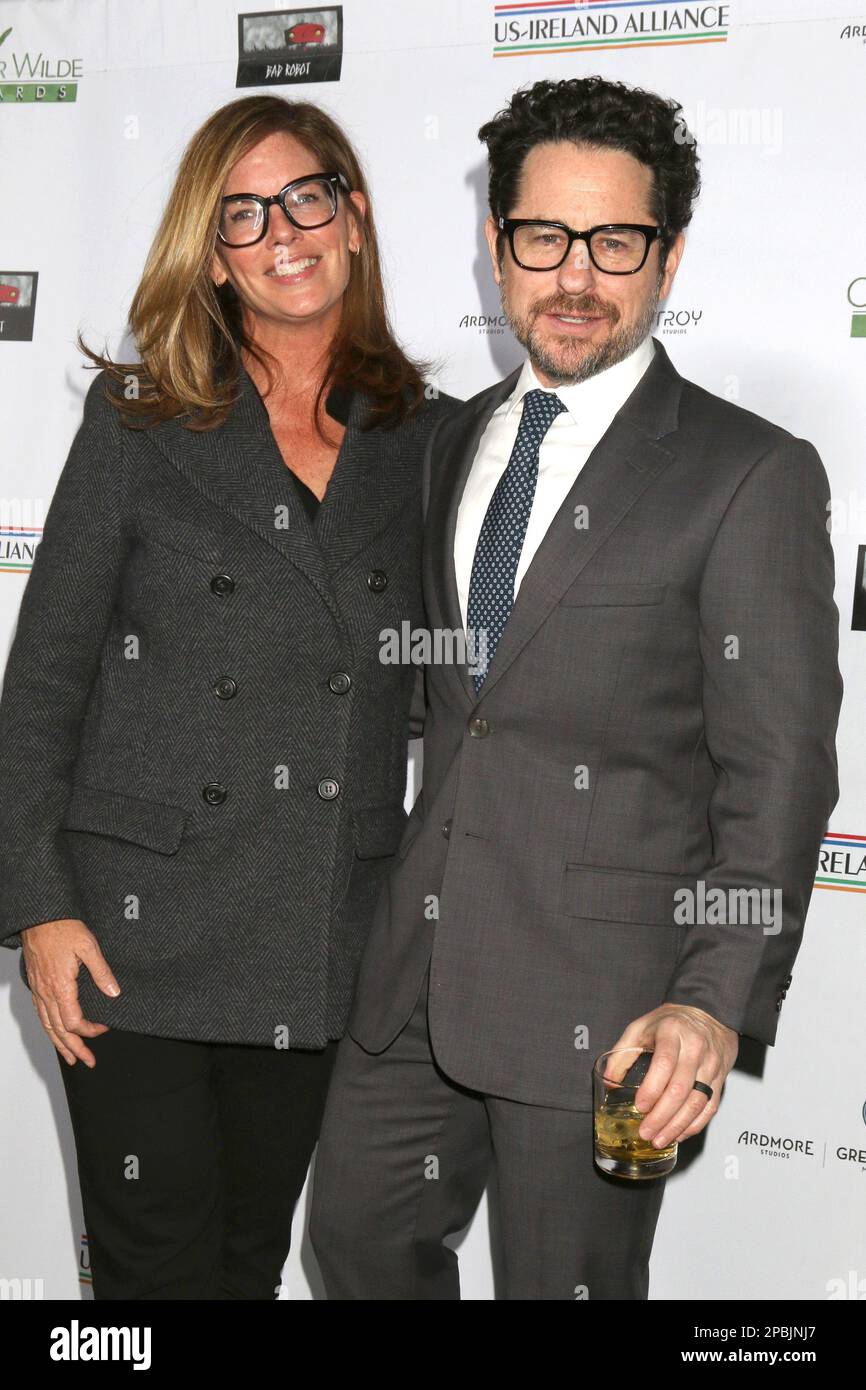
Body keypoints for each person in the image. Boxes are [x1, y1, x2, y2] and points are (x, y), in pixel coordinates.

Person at [309, 75, 843, 1299]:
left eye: (615, 241)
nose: (574, 275)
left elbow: (778, 776)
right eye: (542, 236)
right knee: (350, 1248)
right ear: (496, 244)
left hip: (607, 1015)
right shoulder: (444, 442)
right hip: (409, 987)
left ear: (666, 258)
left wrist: (710, 1005)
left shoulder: (745, 473)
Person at [0, 93, 459, 1299]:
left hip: (320, 923)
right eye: (242, 213)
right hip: (130, 930)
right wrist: (39, 908)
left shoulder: (437, 440)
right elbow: (43, 678)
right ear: (212, 252)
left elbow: (469, 679)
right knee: (154, 1278)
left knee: (246, 1263)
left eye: (305, 196)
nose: (281, 232)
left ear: (351, 216)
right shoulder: (139, 419)